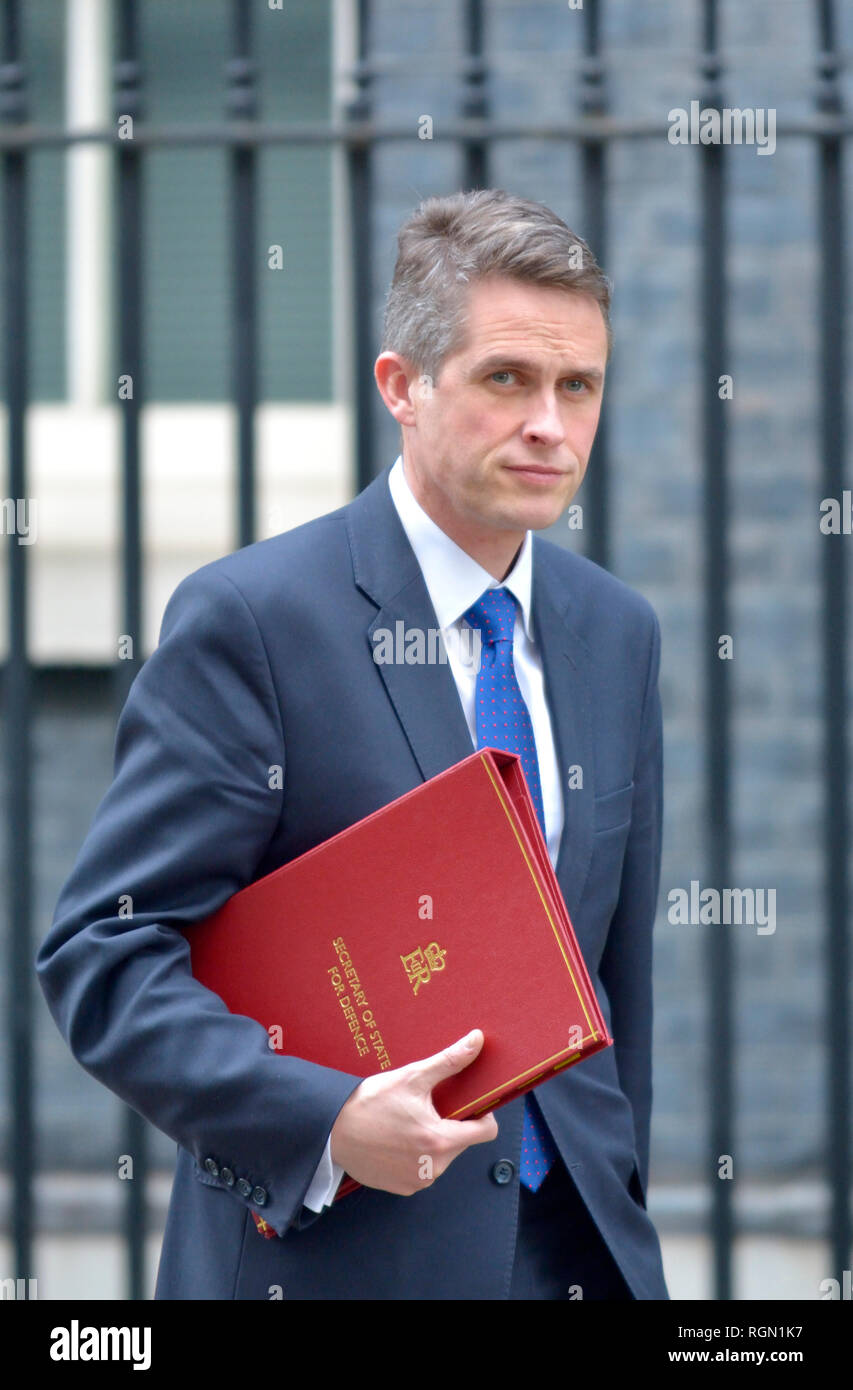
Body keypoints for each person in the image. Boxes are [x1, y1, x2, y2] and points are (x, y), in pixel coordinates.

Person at [36, 188, 669, 1300]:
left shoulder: (615, 632)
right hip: (339, 1263)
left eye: (579, 387)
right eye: (506, 379)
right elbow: (104, 956)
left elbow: (613, 988)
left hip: (574, 1260)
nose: (550, 426)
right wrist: (323, 1118)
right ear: (401, 387)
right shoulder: (255, 621)